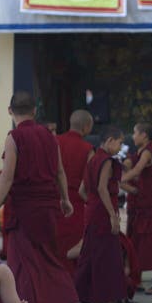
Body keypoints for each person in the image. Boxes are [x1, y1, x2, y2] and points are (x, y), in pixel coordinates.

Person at [0, 91, 81, 303]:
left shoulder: (14, 137)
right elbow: (59, 171)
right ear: (34, 111)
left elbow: (7, 177)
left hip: (24, 208)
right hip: (47, 206)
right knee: (48, 256)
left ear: (10, 111)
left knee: (21, 260)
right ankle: (68, 297)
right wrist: (65, 199)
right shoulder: (49, 135)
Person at [73, 127, 132, 303]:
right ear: (109, 141)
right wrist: (112, 215)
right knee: (110, 259)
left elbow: (83, 190)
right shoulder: (106, 160)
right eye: (119, 142)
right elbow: (102, 189)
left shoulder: (92, 160)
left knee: (94, 257)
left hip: (92, 213)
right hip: (104, 215)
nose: (120, 146)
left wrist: (92, 206)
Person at [121, 122, 152, 295]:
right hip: (144, 206)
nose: (133, 136)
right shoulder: (141, 152)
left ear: (144, 135)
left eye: (135, 133)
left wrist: (117, 181)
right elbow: (131, 165)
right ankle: (138, 280)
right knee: (140, 244)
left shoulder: (149, 151)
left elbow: (136, 171)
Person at [55, 110, 94, 274]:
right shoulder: (88, 149)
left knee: (55, 245)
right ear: (86, 127)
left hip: (55, 201)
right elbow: (89, 183)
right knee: (74, 245)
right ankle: (74, 289)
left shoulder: (55, 141)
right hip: (76, 204)